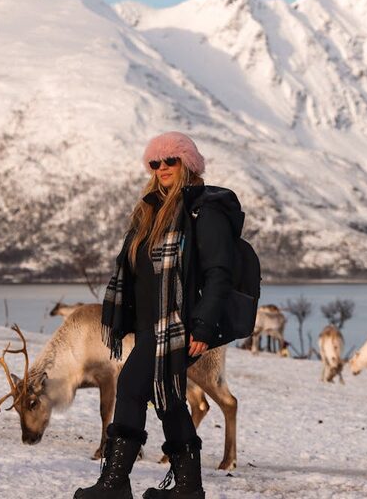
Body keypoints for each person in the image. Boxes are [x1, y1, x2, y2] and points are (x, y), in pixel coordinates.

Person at [74, 132, 245, 499]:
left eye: (172, 161)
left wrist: (203, 325)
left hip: (179, 326)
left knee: (132, 391)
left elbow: (219, 274)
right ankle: (187, 487)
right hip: (149, 325)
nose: (163, 168)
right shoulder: (149, 209)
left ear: (189, 164)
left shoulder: (204, 209)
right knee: (168, 400)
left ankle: (115, 483)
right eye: (156, 162)